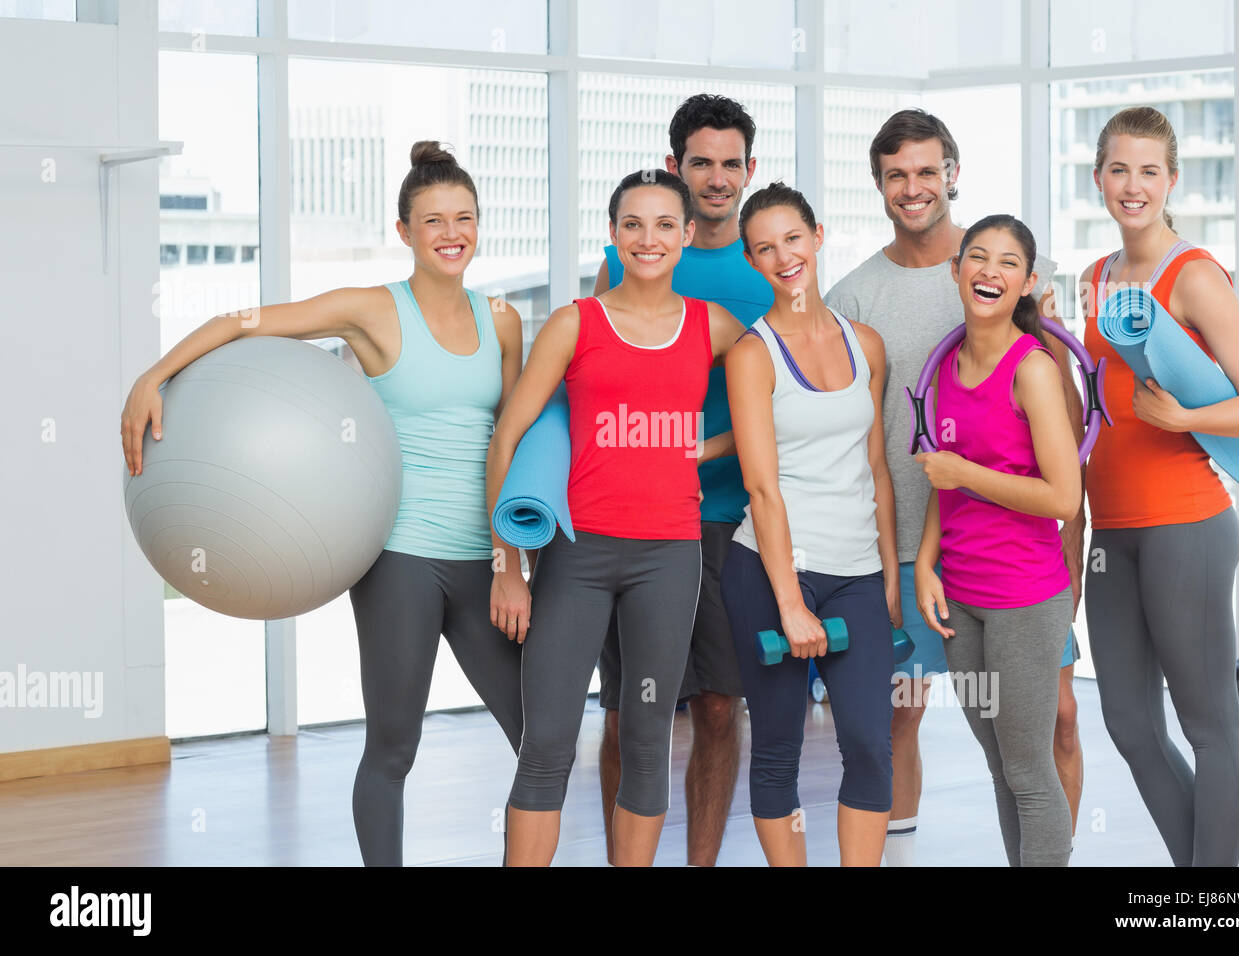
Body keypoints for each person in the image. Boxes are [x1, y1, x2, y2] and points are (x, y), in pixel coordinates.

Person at [121, 142, 527, 867]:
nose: (450, 232)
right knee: (394, 745)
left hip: (482, 558)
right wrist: (154, 374)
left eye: (463, 217)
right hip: (398, 555)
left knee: (538, 735)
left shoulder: (501, 320)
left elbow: (512, 443)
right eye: (432, 220)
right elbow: (246, 322)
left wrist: (512, 562)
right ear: (404, 231)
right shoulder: (371, 310)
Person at [824, 109, 1086, 864]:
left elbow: (1058, 468)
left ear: (953, 174)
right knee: (920, 723)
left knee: (1046, 736)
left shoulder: (1023, 332)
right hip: (925, 559)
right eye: (896, 174)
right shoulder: (859, 301)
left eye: (927, 171)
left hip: (1022, 571)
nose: (913, 187)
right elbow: (860, 437)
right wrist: (910, 560)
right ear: (878, 184)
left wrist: (1073, 558)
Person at [486, 169, 744, 867]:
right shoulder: (576, 323)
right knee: (547, 741)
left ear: (687, 236)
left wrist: (706, 447)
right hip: (579, 555)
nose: (649, 238)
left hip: (669, 556)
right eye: (634, 224)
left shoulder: (712, 325)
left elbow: (779, 397)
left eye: (665, 225)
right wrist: (506, 568)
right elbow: (508, 437)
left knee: (648, 734)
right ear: (612, 234)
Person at [1081, 106, 1239, 866]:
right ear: (1099, 176)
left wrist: (1186, 413)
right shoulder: (1096, 277)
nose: (1133, 186)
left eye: (1149, 171)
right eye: (1119, 169)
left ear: (1172, 181)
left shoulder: (1193, 274)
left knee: (1208, 726)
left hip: (1186, 526)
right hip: (1115, 530)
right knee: (1130, 723)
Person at [592, 93, 774, 866]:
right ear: (675, 167)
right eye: (701, 161)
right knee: (629, 715)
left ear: (750, 170)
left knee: (720, 708)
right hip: (633, 518)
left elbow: (790, 393)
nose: (717, 177)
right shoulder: (630, 257)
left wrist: (714, 449)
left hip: (728, 520)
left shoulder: (767, 272)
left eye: (731, 163)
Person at [721, 182, 898, 866]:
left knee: (868, 744)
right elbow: (763, 489)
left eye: (792, 239)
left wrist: (884, 572)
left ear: (817, 236)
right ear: (750, 260)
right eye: (764, 248)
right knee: (777, 749)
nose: (782, 257)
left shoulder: (868, 345)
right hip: (770, 573)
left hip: (858, 572)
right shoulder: (750, 355)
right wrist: (791, 604)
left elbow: (876, 465)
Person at [914, 214, 1080, 867]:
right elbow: (940, 480)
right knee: (1002, 767)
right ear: (957, 271)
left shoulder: (1031, 370)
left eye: (1007, 262)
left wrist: (965, 474)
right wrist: (927, 564)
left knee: (1030, 773)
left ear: (1027, 281)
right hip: (963, 599)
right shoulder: (946, 368)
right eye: (977, 257)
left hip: (1024, 599)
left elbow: (1062, 499)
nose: (989, 270)